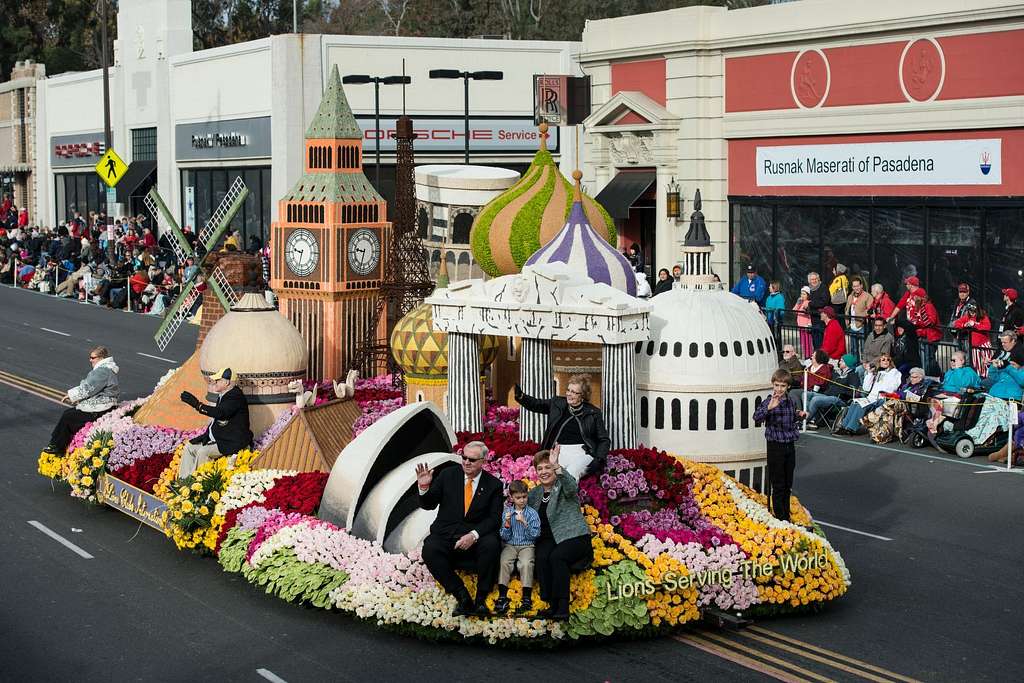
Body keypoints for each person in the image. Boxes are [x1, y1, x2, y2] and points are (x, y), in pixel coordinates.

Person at [416, 440, 504, 617]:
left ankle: (480, 600)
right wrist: (424, 487)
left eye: (472, 459)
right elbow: (429, 504)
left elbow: (495, 519)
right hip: (446, 533)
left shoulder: (494, 485)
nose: (466, 462)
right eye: (464, 457)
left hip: (474, 535)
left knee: (491, 544)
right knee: (430, 549)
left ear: (483, 461)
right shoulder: (448, 475)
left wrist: (473, 535)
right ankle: (462, 596)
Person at [528, 447, 593, 620]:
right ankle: (551, 604)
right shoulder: (534, 494)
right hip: (549, 539)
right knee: (541, 557)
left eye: (547, 467)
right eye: (540, 469)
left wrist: (557, 465)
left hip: (574, 536)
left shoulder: (564, 486)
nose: (543, 472)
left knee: (557, 557)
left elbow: (572, 486)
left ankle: (562, 607)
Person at [514, 375, 610, 479]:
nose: (569, 394)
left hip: (582, 452)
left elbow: (603, 439)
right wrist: (521, 396)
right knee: (553, 477)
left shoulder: (593, 412)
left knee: (570, 476)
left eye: (574, 392)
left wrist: (599, 459)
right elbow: (537, 404)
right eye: (568, 390)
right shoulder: (557, 403)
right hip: (558, 451)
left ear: (582, 395)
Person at [178, 368, 252, 478]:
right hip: (221, 439)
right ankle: (183, 482)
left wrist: (198, 405)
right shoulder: (224, 394)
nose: (214, 382)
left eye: (217, 380)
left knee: (203, 452)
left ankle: (196, 484)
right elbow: (218, 420)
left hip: (231, 442)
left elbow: (220, 413)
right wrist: (206, 435)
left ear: (226, 382)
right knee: (190, 447)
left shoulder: (235, 396)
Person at [44, 346, 120, 455]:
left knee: (68, 416)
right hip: (102, 405)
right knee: (70, 413)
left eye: (92, 357)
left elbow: (88, 388)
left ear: (101, 358)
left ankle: (57, 446)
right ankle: (57, 443)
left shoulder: (102, 371)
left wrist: (72, 395)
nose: (90, 360)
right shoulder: (105, 369)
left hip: (101, 408)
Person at [753, 369, 806, 522]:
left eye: (783, 386)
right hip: (775, 446)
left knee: (788, 483)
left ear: (788, 387)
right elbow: (757, 417)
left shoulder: (791, 401)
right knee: (778, 484)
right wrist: (770, 408)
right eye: (777, 385)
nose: (779, 389)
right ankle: (781, 517)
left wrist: (799, 415)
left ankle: (786, 514)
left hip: (789, 444)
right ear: (773, 385)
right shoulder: (768, 401)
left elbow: (792, 417)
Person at [493, 479, 541, 616]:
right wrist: (507, 522)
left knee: (526, 563)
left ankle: (526, 596)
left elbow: (535, 535)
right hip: (511, 544)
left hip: (527, 545)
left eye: (524, 497)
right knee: (504, 561)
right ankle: (502, 595)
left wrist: (525, 523)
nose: (522, 500)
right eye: (518, 498)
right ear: (511, 498)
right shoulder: (507, 512)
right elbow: (504, 536)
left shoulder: (532, 514)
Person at [836, 354, 902, 434]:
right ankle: (844, 426)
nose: (885, 361)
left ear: (891, 362)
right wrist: (870, 373)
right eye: (883, 360)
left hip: (882, 398)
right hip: (871, 397)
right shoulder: (878, 372)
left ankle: (851, 428)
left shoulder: (895, 372)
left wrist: (883, 383)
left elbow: (893, 388)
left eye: (888, 360)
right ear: (879, 362)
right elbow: (866, 388)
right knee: (855, 403)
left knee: (861, 405)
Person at [805, 354, 858, 429]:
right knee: (806, 394)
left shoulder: (853, 375)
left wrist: (841, 392)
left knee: (815, 399)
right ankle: (814, 419)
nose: (839, 362)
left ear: (847, 363)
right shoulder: (840, 374)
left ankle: (806, 421)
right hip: (829, 395)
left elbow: (853, 392)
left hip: (840, 399)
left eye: (842, 361)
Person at [953, 303, 994, 376]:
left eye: (974, 311)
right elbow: (957, 323)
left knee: (987, 364)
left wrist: (974, 324)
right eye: (970, 311)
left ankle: (989, 379)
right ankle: (980, 380)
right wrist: (964, 325)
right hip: (974, 346)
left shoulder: (983, 316)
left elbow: (987, 327)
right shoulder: (967, 317)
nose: (972, 313)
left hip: (984, 344)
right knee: (977, 365)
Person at [910, 292, 941, 376]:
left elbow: (931, 321)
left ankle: (930, 375)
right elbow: (915, 318)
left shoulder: (928, 306)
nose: (914, 299)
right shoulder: (918, 307)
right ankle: (932, 375)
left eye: (916, 297)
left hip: (930, 336)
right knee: (925, 358)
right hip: (922, 335)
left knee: (929, 358)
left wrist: (918, 323)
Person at [844, 277, 873, 358]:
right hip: (852, 325)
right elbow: (847, 309)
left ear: (861, 286)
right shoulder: (850, 296)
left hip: (862, 325)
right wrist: (847, 322)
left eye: (858, 286)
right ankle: (855, 365)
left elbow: (870, 310)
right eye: (854, 286)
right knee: (853, 348)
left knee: (864, 348)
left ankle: (864, 366)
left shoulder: (867, 296)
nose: (856, 288)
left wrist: (863, 316)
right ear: (852, 287)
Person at [858, 317, 894, 383]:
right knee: (857, 370)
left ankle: (866, 391)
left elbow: (884, 355)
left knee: (866, 373)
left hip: (877, 364)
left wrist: (870, 364)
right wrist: (864, 361)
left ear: (884, 326)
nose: (877, 328)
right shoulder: (871, 335)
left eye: (880, 326)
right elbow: (865, 349)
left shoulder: (887, 338)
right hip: (867, 363)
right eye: (876, 325)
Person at [806, 272, 831, 349]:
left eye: (815, 279)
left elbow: (824, 302)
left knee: (820, 340)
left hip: (820, 318)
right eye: (812, 279)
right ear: (809, 281)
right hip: (811, 318)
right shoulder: (808, 289)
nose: (814, 281)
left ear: (818, 279)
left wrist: (810, 303)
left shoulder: (823, 288)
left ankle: (820, 357)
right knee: (814, 340)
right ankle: (816, 356)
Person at [793, 286, 813, 358]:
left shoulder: (808, 303)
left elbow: (809, 315)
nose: (802, 295)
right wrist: (797, 303)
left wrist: (809, 324)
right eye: (801, 294)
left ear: (808, 295)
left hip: (806, 326)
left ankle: (809, 355)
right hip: (800, 325)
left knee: (808, 342)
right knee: (803, 342)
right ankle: (805, 355)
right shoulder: (800, 302)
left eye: (804, 294)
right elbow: (794, 311)